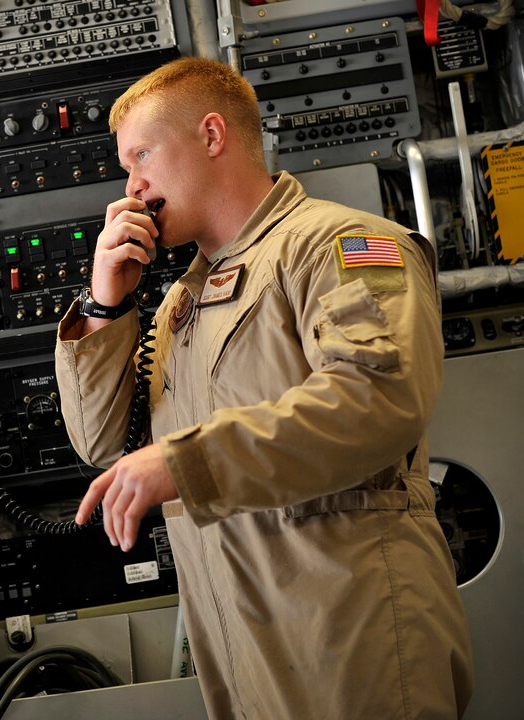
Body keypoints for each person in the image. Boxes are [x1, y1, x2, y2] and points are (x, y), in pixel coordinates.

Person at [54, 58, 474, 719]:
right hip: (245, 660)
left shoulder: (348, 244)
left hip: (354, 646)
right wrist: (105, 308)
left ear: (212, 135)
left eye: (142, 156)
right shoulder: (180, 304)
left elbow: (379, 400)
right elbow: (102, 444)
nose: (131, 187)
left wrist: (187, 464)